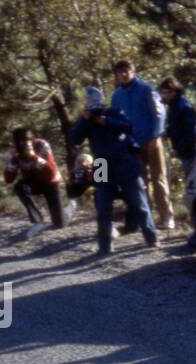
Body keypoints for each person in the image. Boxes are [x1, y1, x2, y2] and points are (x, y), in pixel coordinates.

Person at [70, 86, 157, 256]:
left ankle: (152, 239)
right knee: (103, 206)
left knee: (139, 203)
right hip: (101, 164)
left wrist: (106, 121)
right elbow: (75, 139)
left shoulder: (114, 112)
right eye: (89, 101)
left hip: (124, 162)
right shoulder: (86, 121)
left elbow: (128, 127)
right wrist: (83, 119)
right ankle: (105, 247)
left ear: (103, 100)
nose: (93, 105)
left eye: (95, 101)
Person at [111, 60, 173, 231]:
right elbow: (116, 120)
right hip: (132, 144)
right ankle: (146, 219)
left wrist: (155, 135)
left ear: (133, 70)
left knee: (158, 179)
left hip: (151, 140)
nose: (123, 74)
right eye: (120, 72)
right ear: (117, 74)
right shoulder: (116, 96)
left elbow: (159, 113)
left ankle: (167, 217)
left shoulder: (146, 89)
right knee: (139, 182)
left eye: (126, 71)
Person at [158, 77, 196, 248]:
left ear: (174, 91)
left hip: (193, 154)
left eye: (166, 92)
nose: (164, 95)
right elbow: (178, 128)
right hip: (189, 153)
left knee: (195, 194)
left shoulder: (183, 107)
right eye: (163, 92)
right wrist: (169, 133)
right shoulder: (175, 106)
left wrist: (186, 152)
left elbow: (191, 134)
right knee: (194, 193)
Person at [3, 127, 66, 237]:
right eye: (21, 141)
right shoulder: (15, 151)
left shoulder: (42, 145)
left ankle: (64, 213)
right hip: (32, 182)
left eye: (28, 139)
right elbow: (9, 179)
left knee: (59, 224)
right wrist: (13, 160)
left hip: (50, 181)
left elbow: (51, 172)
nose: (25, 143)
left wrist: (34, 156)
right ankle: (38, 221)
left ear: (33, 138)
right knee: (20, 186)